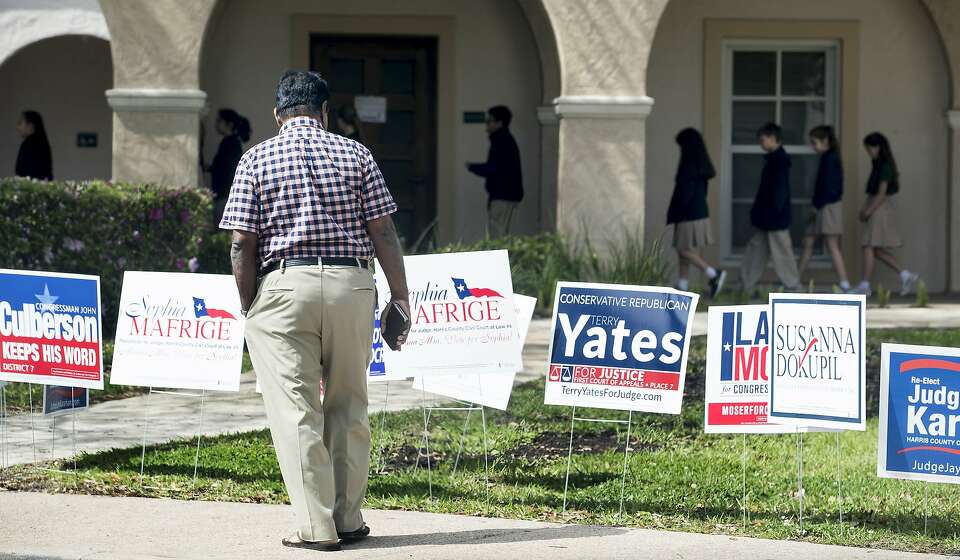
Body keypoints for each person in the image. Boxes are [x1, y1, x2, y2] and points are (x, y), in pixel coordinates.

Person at [220, 70, 410, 551]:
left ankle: (316, 527)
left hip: (283, 287)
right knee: (348, 403)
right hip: (351, 284)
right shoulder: (356, 153)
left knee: (296, 411)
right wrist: (400, 297)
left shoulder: (255, 159)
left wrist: (249, 303)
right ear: (323, 112)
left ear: (277, 113)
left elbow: (242, 241)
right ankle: (348, 519)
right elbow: (383, 232)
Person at [853, 132, 920, 296]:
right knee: (875, 249)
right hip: (877, 207)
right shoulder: (878, 164)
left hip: (879, 208)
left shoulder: (885, 166)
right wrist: (865, 208)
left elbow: (881, 193)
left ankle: (864, 285)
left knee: (869, 246)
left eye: (870, 148)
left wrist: (868, 210)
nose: (868, 151)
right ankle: (905, 275)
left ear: (878, 147)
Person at [740, 123, 801, 295]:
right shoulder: (775, 159)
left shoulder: (779, 160)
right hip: (768, 216)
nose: (760, 143)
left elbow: (779, 191)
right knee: (756, 250)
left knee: (782, 252)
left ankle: (793, 286)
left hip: (774, 217)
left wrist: (773, 212)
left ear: (773, 138)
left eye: (762, 139)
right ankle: (746, 286)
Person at [666, 128, 726, 297]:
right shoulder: (701, 165)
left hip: (688, 214)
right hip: (698, 212)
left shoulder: (688, 166)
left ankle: (713, 274)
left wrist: (680, 213)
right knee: (685, 250)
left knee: (682, 250)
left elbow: (685, 194)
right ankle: (682, 285)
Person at [798, 125, 850, 291]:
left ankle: (844, 284)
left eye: (814, 143)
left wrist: (816, 206)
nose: (813, 147)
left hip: (828, 206)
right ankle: (794, 280)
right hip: (823, 205)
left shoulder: (830, 158)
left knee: (831, 245)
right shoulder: (828, 158)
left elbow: (827, 188)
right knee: (808, 241)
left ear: (825, 141)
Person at [467, 105, 523, 238]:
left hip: (502, 195)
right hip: (508, 194)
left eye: (489, 121)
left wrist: (473, 168)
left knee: (497, 237)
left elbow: (494, 168)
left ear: (499, 123)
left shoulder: (501, 141)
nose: (486, 125)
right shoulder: (505, 140)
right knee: (502, 235)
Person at [208, 109, 251, 222]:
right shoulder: (231, 142)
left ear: (229, 124)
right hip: (224, 194)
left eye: (219, 120)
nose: (216, 123)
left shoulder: (230, 143)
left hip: (224, 195)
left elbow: (228, 169)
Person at [15, 110, 52, 180]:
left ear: (31, 125)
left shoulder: (29, 144)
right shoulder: (43, 143)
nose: (18, 127)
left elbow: (24, 172)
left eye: (20, 123)